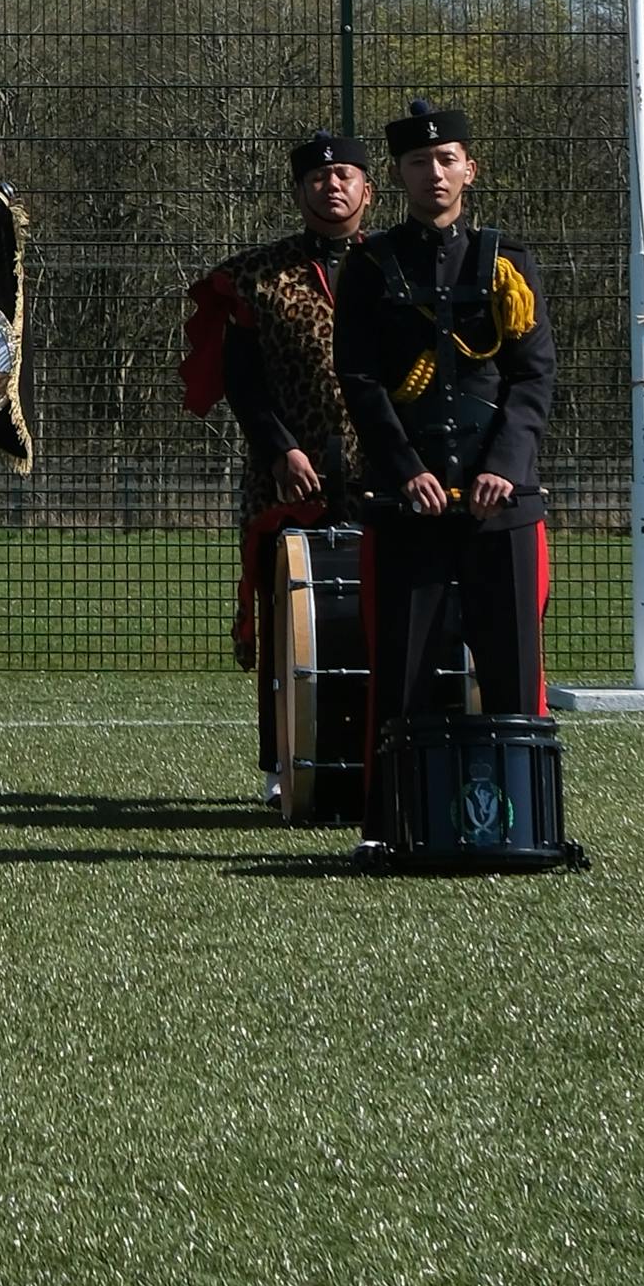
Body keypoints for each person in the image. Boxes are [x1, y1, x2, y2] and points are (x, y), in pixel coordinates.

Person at [331, 98, 555, 842]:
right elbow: (359, 379)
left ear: (470, 168)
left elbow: (530, 378)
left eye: (446, 158)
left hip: (500, 503)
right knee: (400, 674)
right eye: (419, 161)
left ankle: (519, 824)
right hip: (410, 505)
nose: (434, 172)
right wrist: (403, 471)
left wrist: (503, 467)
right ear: (397, 174)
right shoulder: (369, 266)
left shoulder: (507, 261)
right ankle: (391, 826)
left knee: (513, 670)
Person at [180, 129, 375, 799]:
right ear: (298, 191)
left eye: (345, 174)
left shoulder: (390, 267)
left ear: (367, 190)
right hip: (283, 473)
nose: (332, 186)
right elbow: (242, 380)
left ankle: (378, 749)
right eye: (318, 177)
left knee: (381, 612)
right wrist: (281, 449)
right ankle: (279, 760)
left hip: (384, 472)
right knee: (282, 623)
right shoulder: (256, 276)